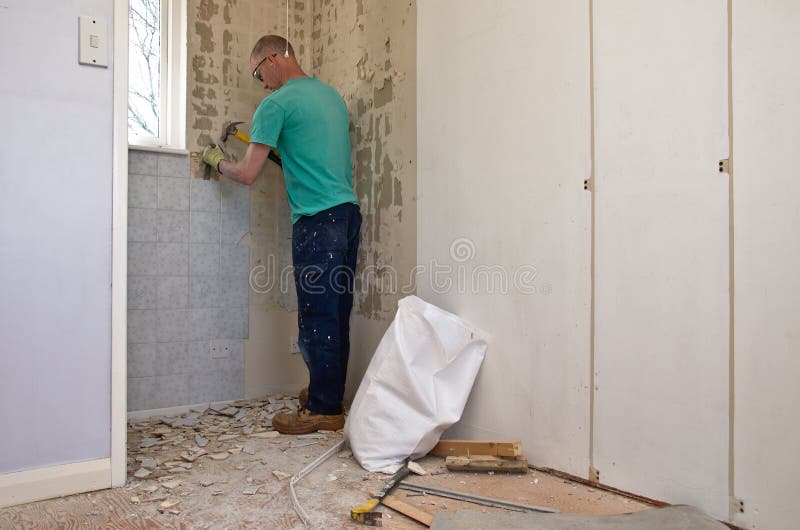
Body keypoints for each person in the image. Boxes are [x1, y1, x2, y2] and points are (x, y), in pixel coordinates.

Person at [203, 35, 361, 435]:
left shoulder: (275, 105)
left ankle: (324, 410)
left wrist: (217, 161)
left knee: (317, 314)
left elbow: (247, 173)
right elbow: (313, 154)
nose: (262, 84)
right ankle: (328, 392)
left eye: (259, 73)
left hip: (316, 220)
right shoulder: (330, 97)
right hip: (347, 214)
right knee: (335, 310)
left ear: (273, 59)